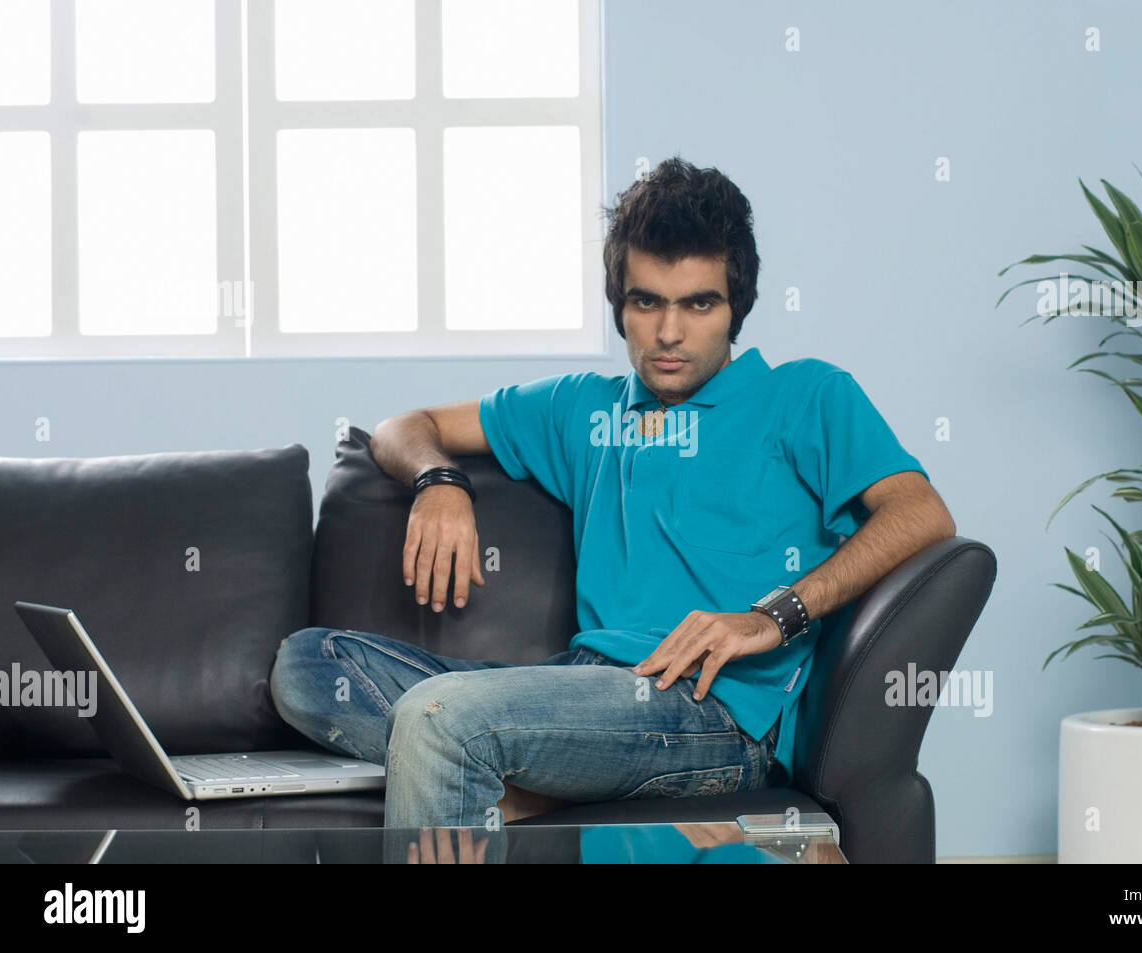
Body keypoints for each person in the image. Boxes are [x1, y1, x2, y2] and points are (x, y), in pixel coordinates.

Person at [268, 156, 956, 858]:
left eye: (698, 303)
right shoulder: (582, 409)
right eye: (646, 301)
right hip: (581, 690)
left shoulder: (805, 397)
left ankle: (482, 766)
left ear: (735, 305)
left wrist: (773, 615)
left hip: (709, 710)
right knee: (307, 664)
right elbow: (402, 426)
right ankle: (515, 776)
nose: (667, 332)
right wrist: (440, 480)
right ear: (619, 303)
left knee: (442, 722)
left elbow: (921, 513)